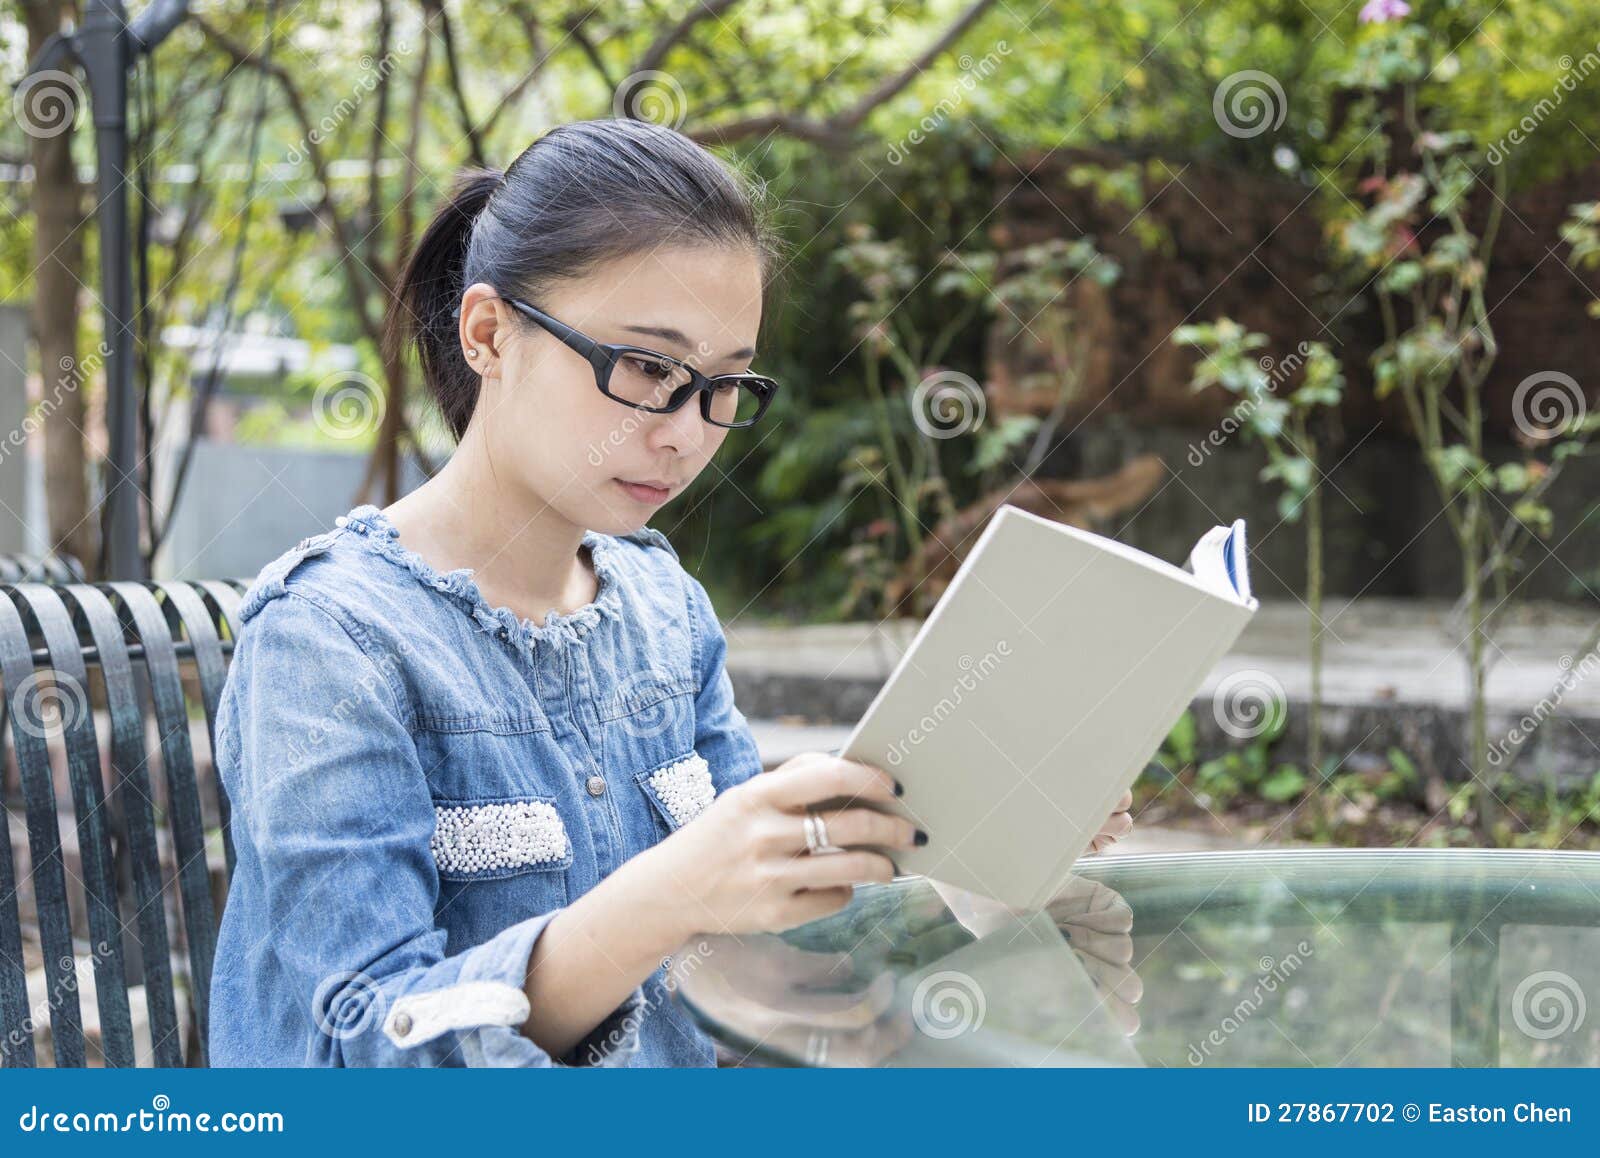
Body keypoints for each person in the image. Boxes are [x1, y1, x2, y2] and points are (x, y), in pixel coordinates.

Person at [209, 118, 1133, 1068]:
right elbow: (356, 1052)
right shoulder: (330, 641)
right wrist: (669, 898)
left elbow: (749, 963)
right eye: (649, 367)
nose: (688, 434)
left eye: (724, 385)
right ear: (489, 333)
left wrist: (968, 897)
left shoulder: (660, 605)